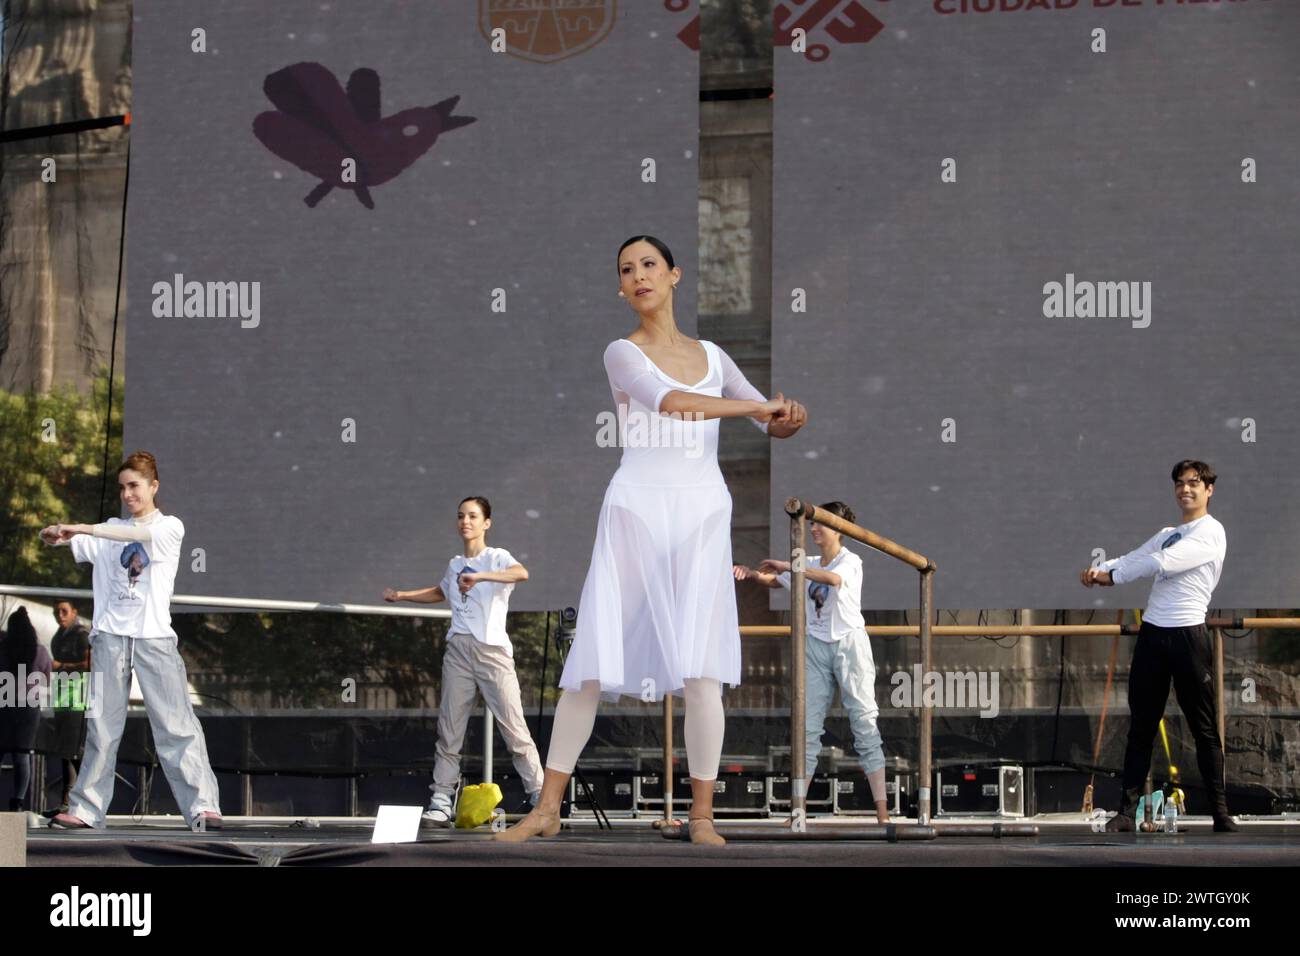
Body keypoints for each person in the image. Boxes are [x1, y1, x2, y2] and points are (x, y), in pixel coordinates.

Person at [496, 235, 806, 846]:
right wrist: (756, 408)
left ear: (674, 275)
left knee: (703, 671)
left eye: (649, 266)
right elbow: (671, 404)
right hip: (635, 512)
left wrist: (789, 416)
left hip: (702, 516)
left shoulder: (714, 354)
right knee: (588, 664)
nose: (638, 276)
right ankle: (546, 808)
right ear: (620, 287)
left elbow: (768, 419)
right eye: (626, 270)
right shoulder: (621, 352)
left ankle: (701, 817)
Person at [39, 450, 222, 830]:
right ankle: (86, 809)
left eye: (134, 486)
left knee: (175, 725)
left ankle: (202, 806)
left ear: (153, 486)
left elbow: (135, 534)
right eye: (122, 488)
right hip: (109, 640)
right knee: (102, 727)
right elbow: (64, 541)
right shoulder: (105, 531)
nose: (127, 494)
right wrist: (52, 533)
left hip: (153, 638)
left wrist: (84, 527)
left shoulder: (170, 526)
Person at [1080, 459, 1235, 832]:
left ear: (1209, 489)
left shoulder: (1211, 532)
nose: (1186, 489)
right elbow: (1137, 556)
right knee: (1141, 727)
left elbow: (1161, 563)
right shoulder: (1168, 531)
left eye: (1194, 483)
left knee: (1204, 729)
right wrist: (1098, 569)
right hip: (1153, 634)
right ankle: (1125, 812)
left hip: (1188, 636)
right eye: (1180, 484)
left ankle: (1219, 812)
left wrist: (1111, 577)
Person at [384, 496, 543, 826]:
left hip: (492, 652)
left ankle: (541, 797)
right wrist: (402, 596)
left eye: (472, 516)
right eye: (460, 516)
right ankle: (441, 798)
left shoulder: (496, 557)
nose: (465, 521)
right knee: (449, 730)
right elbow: (441, 592)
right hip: (458, 651)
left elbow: (522, 573)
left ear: (486, 523)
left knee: (514, 730)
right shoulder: (455, 563)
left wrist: (482, 577)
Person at [734, 501, 890, 823]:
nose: (814, 529)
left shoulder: (851, 561)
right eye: (813, 524)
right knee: (807, 728)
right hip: (816, 647)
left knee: (864, 722)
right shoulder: (808, 562)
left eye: (821, 524)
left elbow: (831, 580)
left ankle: (883, 814)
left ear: (839, 529)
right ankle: (798, 810)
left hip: (849, 645)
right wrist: (751, 574)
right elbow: (775, 580)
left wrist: (791, 566)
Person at [0, 607, 52, 812]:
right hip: (29, 708)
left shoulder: (3, 650)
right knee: (22, 756)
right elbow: (47, 678)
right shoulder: (40, 651)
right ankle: (18, 800)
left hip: (4, 705)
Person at [44, 600, 92, 817]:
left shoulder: (82, 635)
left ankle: (80, 803)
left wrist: (61, 666)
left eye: (64, 611)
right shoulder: (58, 636)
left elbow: (90, 663)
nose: (59, 615)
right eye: (56, 612)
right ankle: (67, 803)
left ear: (74, 612)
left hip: (78, 700)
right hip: (62, 698)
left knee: (75, 752)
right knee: (66, 751)